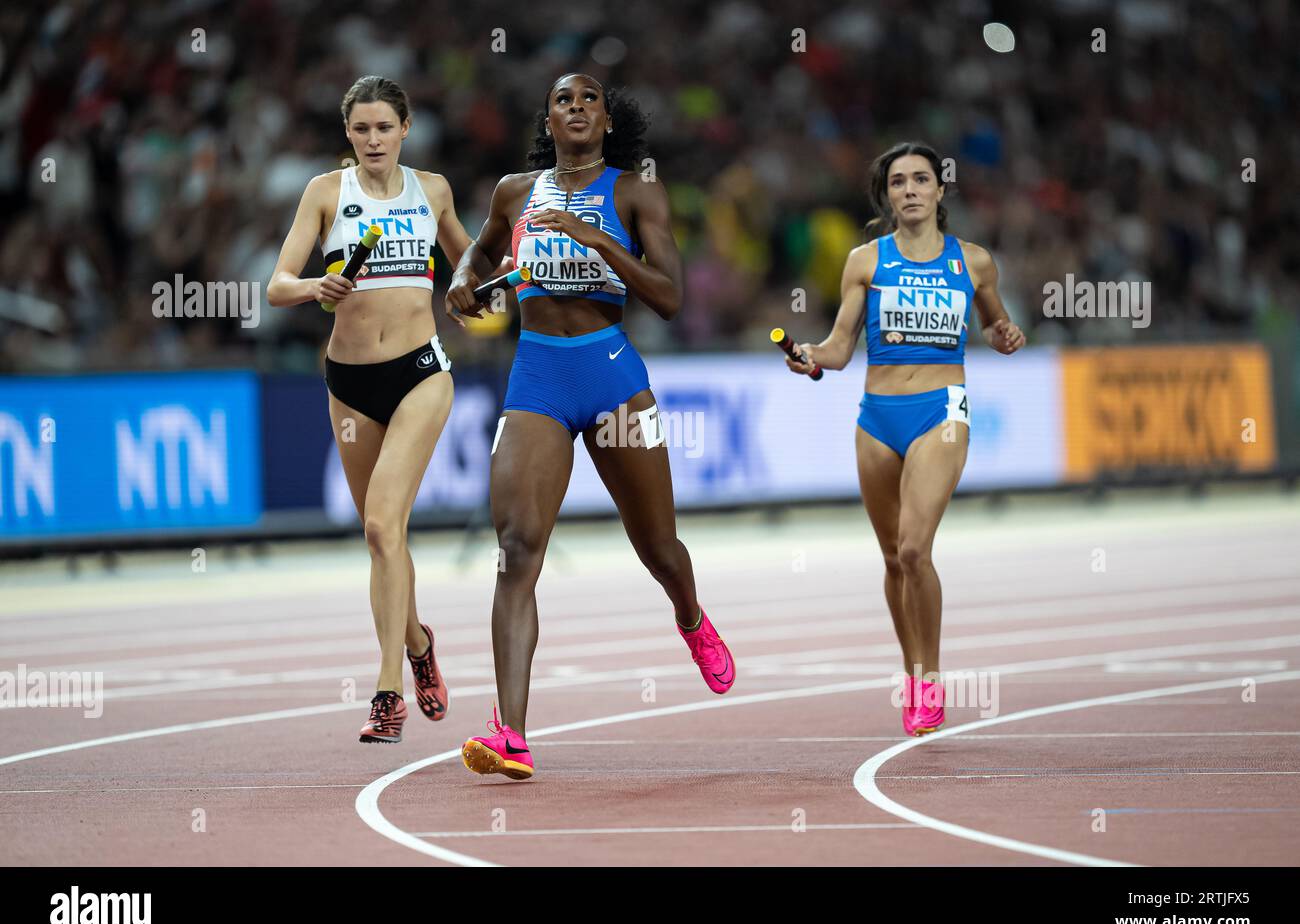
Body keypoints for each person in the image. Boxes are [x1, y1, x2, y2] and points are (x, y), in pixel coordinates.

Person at [444, 73, 735, 781]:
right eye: (561, 100)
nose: (575, 108)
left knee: (659, 546)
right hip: (538, 375)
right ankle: (511, 734)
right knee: (516, 547)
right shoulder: (515, 192)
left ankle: (691, 616)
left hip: (612, 378)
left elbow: (667, 297)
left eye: (589, 99)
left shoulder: (637, 193)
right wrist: (460, 279)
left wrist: (592, 238)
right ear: (547, 121)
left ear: (608, 119)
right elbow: (480, 257)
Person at [784, 142, 1025, 736]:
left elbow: (996, 321)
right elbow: (840, 347)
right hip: (876, 417)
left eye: (921, 180)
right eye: (898, 183)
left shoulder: (974, 262)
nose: (910, 190)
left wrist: (1004, 333)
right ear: (886, 196)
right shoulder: (866, 262)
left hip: (942, 410)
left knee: (916, 548)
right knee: (893, 556)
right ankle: (912, 675)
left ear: (941, 191)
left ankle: (934, 676)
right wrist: (811, 356)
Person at [268, 76, 472, 743]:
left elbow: (467, 266)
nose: (373, 139)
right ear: (347, 133)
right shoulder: (326, 193)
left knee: (387, 524)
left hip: (421, 372)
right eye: (361, 129)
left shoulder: (432, 189)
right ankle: (417, 643)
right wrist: (313, 286)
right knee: (381, 538)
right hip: (350, 382)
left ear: (406, 128)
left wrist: (481, 292)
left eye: (384, 127)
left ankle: (388, 692)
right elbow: (276, 286)